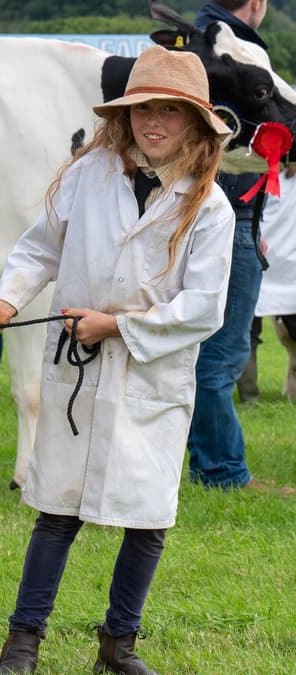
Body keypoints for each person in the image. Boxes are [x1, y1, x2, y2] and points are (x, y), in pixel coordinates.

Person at [0, 47, 234, 674]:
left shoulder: (210, 207)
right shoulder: (89, 176)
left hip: (150, 376)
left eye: (171, 111)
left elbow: (204, 308)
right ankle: (22, 644)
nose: (156, 122)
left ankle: (118, 646)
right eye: (145, 109)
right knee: (56, 512)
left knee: (147, 521)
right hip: (78, 375)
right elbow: (39, 250)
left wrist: (116, 324)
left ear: (196, 123)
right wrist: (8, 299)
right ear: (126, 115)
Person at [187, 0, 274, 491]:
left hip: (216, 214)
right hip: (231, 213)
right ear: (258, 3)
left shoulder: (194, 44)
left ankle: (208, 460)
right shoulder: (235, 51)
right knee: (220, 355)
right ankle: (220, 471)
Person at [238, 165, 296, 406]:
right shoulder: (251, 171)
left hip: (280, 266)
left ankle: (250, 399)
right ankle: (249, 397)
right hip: (260, 259)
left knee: (248, 334)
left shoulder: (246, 169)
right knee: (247, 334)